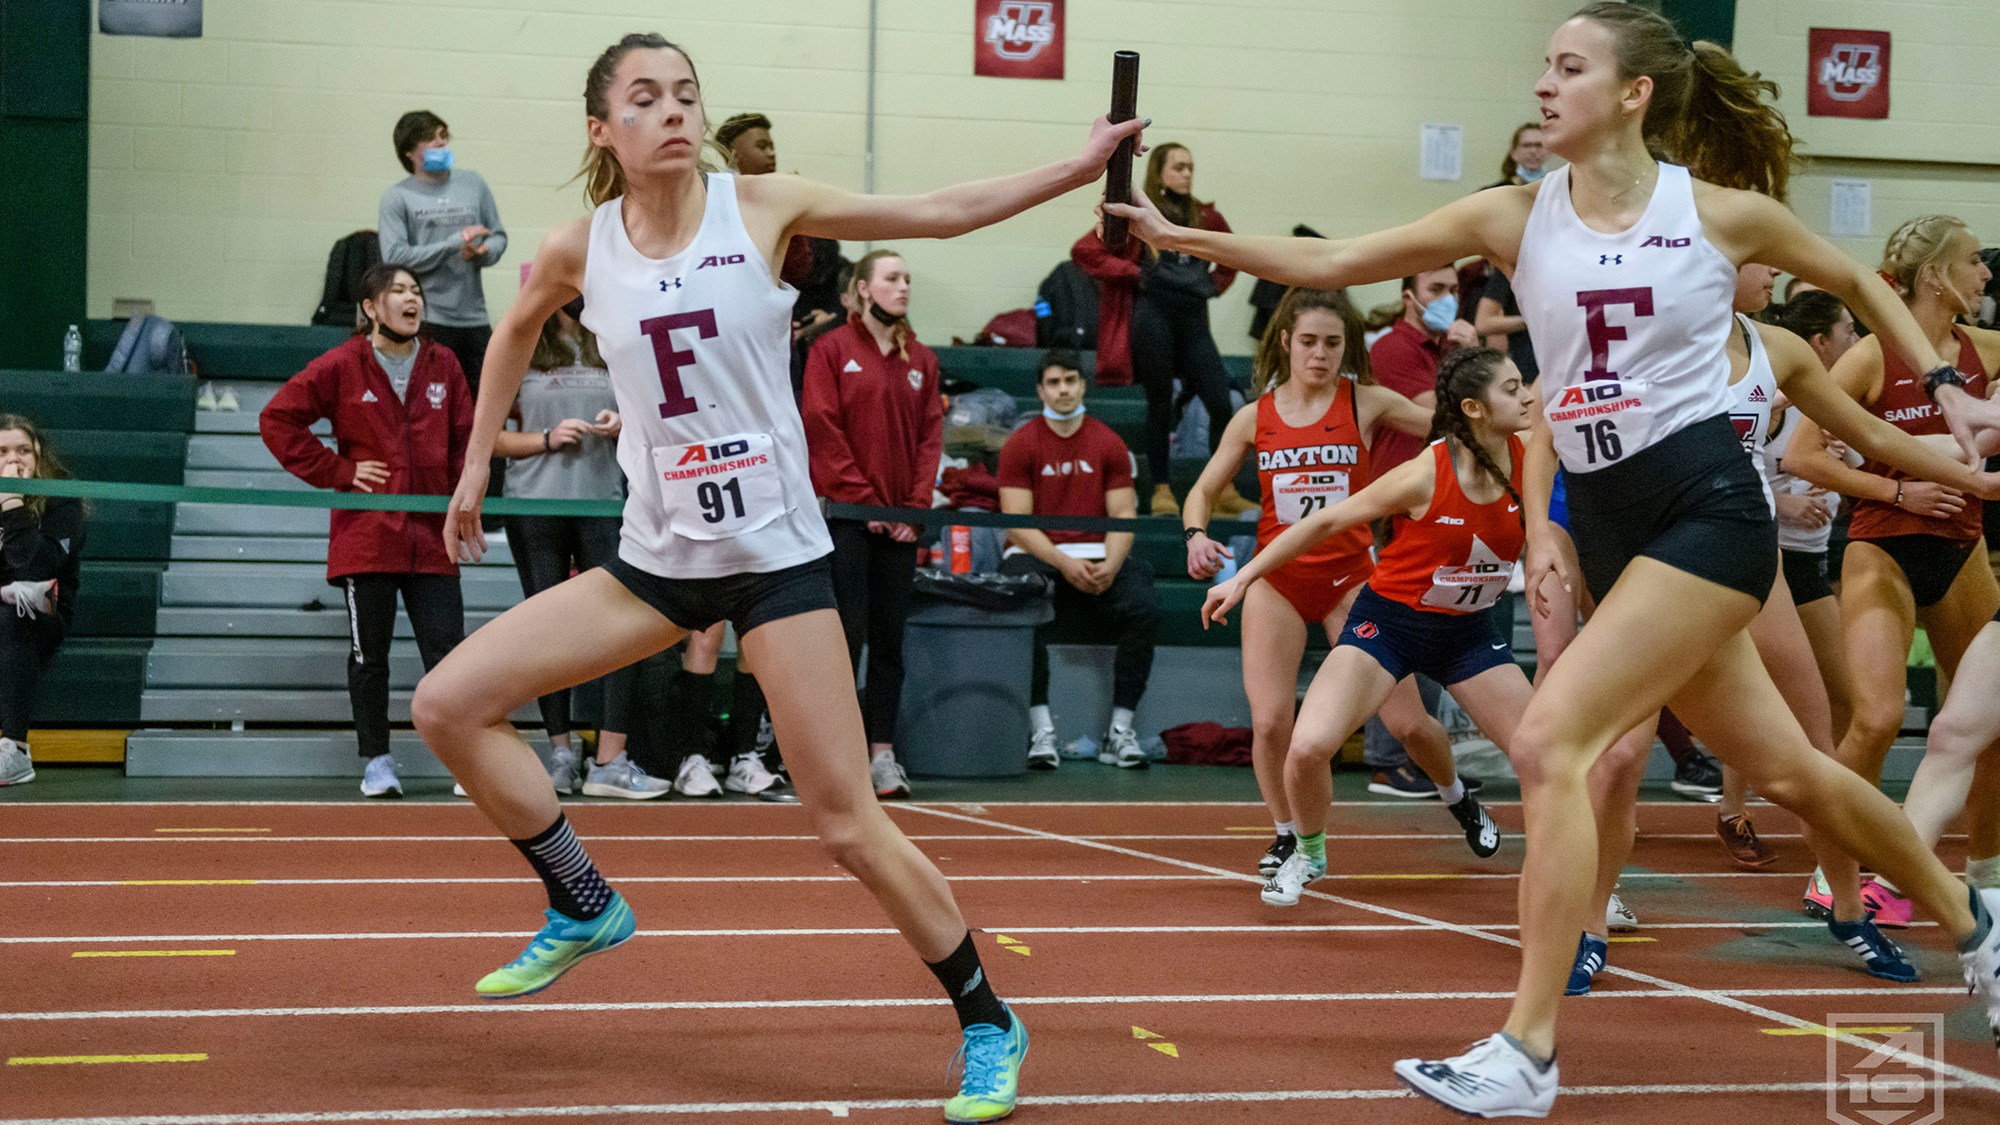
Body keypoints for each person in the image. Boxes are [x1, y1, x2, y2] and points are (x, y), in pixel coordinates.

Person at [1105, 4, 2000, 1113]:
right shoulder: (1512, 219)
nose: (1542, 85)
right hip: (1615, 522)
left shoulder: (1716, 214)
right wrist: (1179, 237)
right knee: (1788, 773)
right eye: (1542, 64)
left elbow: (1862, 286)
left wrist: (1949, 391)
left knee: (1550, 742)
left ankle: (1527, 1050)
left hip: (1707, 509)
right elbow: (1333, 257)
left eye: (1568, 67)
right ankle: (1976, 922)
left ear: (1631, 94)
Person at [411, 34, 1144, 1122]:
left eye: (685, 95)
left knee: (846, 823)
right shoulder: (580, 247)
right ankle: (581, 899)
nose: (671, 112)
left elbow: (937, 210)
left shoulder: (756, 206)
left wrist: (1074, 169)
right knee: (447, 704)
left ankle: (988, 1019)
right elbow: (511, 327)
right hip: (655, 568)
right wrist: (474, 464)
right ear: (599, 128)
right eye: (644, 97)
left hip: (774, 568)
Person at [1208, 346, 1531, 907]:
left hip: (1468, 631)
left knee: (1547, 754)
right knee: (1308, 748)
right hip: (1391, 625)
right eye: (1512, 388)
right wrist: (1244, 577)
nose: (1527, 396)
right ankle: (1307, 851)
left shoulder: (1533, 453)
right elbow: (1327, 519)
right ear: (1475, 408)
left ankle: (1592, 888)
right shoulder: (1422, 474)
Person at [1181, 287, 1466, 877]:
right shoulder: (1252, 417)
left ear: (1347, 348)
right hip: (1277, 581)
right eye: (1308, 341)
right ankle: (1287, 833)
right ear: (1286, 341)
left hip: (1352, 580)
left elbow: (1451, 422)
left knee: (1408, 722)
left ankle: (1457, 795)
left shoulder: (1365, 402)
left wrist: (1465, 358)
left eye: (1333, 343)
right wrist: (1195, 534)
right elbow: (1204, 488)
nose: (1320, 354)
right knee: (1270, 722)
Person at [1781, 215, 2000, 932]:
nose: (1986, 274)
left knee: (1991, 725)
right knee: (1875, 717)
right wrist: (1900, 489)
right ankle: (1834, 873)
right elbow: (1803, 457)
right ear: (1935, 275)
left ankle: (1985, 879)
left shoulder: (1985, 349)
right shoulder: (1869, 357)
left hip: (1962, 544)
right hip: (1884, 543)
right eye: (1974, 260)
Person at [262, 263, 472, 798]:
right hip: (366, 538)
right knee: (368, 657)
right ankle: (377, 761)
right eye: (398, 291)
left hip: (432, 538)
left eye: (417, 291)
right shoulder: (341, 363)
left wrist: (466, 507)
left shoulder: (444, 363)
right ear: (371, 308)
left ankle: (463, 764)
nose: (412, 299)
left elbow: (468, 442)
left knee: (450, 658)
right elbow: (277, 420)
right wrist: (340, 471)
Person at [491, 299, 671, 800]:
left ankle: (610, 760)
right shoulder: (523, 341)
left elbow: (656, 419)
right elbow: (488, 439)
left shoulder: (614, 341)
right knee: (546, 631)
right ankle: (561, 754)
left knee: (617, 630)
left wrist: (624, 423)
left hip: (605, 507)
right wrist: (545, 439)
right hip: (535, 507)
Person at [802, 248, 944, 800]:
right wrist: (866, 503)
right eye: (892, 278)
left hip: (900, 526)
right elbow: (822, 427)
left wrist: (910, 509)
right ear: (863, 289)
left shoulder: (923, 360)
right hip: (846, 520)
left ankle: (882, 755)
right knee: (847, 638)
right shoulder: (830, 350)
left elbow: (930, 440)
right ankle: (834, 760)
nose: (903, 286)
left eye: (907, 278)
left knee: (890, 642)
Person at [997, 350, 1160, 770]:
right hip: (1038, 554)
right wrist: (1063, 563)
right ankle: (1040, 732)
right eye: (1054, 382)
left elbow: (1124, 515)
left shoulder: (1108, 441)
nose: (1063, 389)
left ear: (1083, 384)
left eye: (1070, 380)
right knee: (1020, 598)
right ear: (1040, 390)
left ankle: (1120, 731)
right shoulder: (1020, 444)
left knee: (1143, 605)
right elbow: (1017, 524)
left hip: (1097, 554)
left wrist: (1111, 563)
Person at [1127, 142, 1245, 518]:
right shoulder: (1143, 214)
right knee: (1159, 404)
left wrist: (1214, 286)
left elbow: (1233, 255)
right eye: (1178, 167)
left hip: (1194, 319)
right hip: (1154, 317)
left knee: (1221, 404)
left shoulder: (1205, 215)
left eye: (1190, 167)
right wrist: (1135, 274)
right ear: (1158, 170)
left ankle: (1222, 488)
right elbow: (1088, 251)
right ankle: (1162, 490)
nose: (1186, 174)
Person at [379, 111, 507, 394]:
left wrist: (484, 253)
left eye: (443, 136)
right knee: (432, 406)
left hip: (474, 317)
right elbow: (395, 258)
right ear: (410, 152)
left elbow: (498, 236)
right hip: (428, 319)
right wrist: (452, 243)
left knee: (480, 404)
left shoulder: (473, 183)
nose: (441, 144)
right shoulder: (397, 197)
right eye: (430, 139)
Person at [0, 416, 86, 788]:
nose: (13, 461)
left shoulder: (62, 498)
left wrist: (12, 502)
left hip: (41, 614)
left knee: (9, 617)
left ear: (39, 458)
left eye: (23, 451)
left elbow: (38, 567)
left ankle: (15, 751)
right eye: (1, 452)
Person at [1484, 122, 1551, 190]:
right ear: (1514, 153)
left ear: (1549, 151)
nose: (1533, 151)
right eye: (1527, 145)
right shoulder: (1492, 193)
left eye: (1539, 145)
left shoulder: (1556, 191)